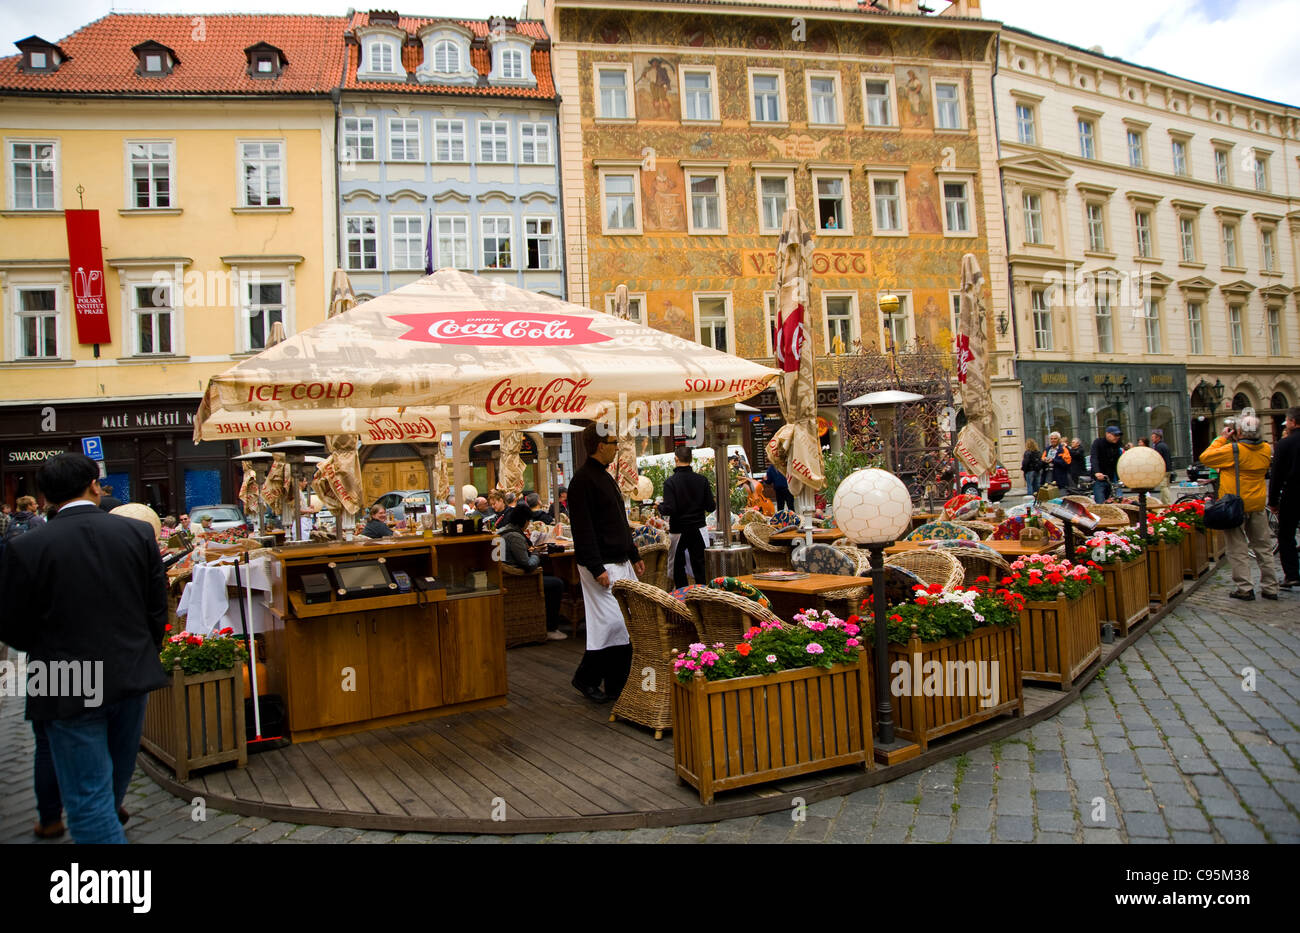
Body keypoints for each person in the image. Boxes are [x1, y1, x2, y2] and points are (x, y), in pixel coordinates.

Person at [0, 453, 167, 844]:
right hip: (129, 671)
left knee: (90, 798)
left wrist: (46, 652)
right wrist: (141, 651)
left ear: (45, 497)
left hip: (63, 678)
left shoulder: (27, 547)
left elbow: (11, 626)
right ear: (94, 486)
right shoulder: (137, 534)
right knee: (106, 791)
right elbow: (155, 608)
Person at [567, 423, 642, 704]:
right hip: (600, 565)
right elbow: (583, 529)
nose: (617, 447)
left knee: (623, 622)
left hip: (618, 560)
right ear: (600, 445)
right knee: (613, 623)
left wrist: (633, 554)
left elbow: (618, 522)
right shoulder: (583, 481)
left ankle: (615, 684)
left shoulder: (604, 476)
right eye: (613, 442)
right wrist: (596, 567)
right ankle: (587, 678)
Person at [1199, 411, 1278, 601]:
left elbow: (1206, 457)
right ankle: (1270, 588)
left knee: (1238, 548)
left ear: (1239, 432)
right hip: (1258, 503)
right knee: (1263, 547)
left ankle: (1245, 588)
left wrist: (1222, 438)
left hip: (1236, 504)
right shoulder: (1266, 449)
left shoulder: (1233, 450)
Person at [499, 503, 568, 640]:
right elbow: (528, 565)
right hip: (519, 579)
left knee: (550, 578)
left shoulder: (502, 531)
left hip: (505, 577)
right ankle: (551, 627)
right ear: (525, 521)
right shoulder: (515, 537)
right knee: (557, 584)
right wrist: (536, 553)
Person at [659, 445, 716, 589]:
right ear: (691, 459)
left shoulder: (670, 482)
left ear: (676, 459)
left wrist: (659, 506)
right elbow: (711, 507)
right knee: (700, 567)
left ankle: (682, 599)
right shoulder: (701, 480)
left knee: (678, 567)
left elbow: (670, 509)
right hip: (698, 528)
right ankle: (703, 600)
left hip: (679, 530)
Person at [1268, 406, 1300, 589]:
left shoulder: (1285, 444)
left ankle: (1292, 575)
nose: (1286, 424)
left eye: (1287, 421)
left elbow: (1277, 475)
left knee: (1286, 534)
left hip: (1293, 493)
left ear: (1293, 422)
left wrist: (1273, 501)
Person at [1089, 426, 1123, 503]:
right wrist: (1097, 472)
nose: (1117, 437)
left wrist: (1120, 475)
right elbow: (1094, 458)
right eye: (1115, 435)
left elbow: (1118, 462)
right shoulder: (1098, 442)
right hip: (1099, 478)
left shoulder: (1117, 445)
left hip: (1110, 478)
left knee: (1115, 501)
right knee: (1100, 502)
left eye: (1118, 435)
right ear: (1107, 434)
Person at [1150, 429, 1173, 501]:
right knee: (1165, 486)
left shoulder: (1159, 447)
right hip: (1168, 469)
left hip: (1163, 470)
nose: (1152, 438)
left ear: (1158, 437)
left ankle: (1168, 503)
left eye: (1153, 437)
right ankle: (1164, 503)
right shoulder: (1164, 445)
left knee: (1164, 487)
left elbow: (1158, 459)